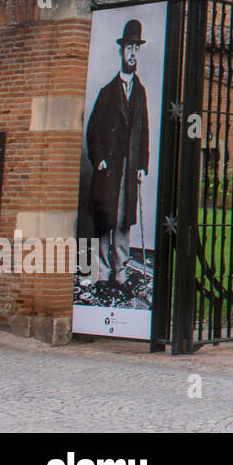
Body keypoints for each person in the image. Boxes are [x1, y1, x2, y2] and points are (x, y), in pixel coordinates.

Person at [86, 18, 150, 287]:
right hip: (109, 168)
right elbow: (93, 130)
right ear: (120, 51)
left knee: (124, 221)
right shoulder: (107, 92)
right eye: (129, 48)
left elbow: (144, 131)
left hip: (129, 166)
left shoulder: (141, 92)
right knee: (105, 219)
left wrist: (142, 165)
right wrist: (98, 159)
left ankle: (121, 273)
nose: (133, 53)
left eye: (137, 48)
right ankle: (101, 272)